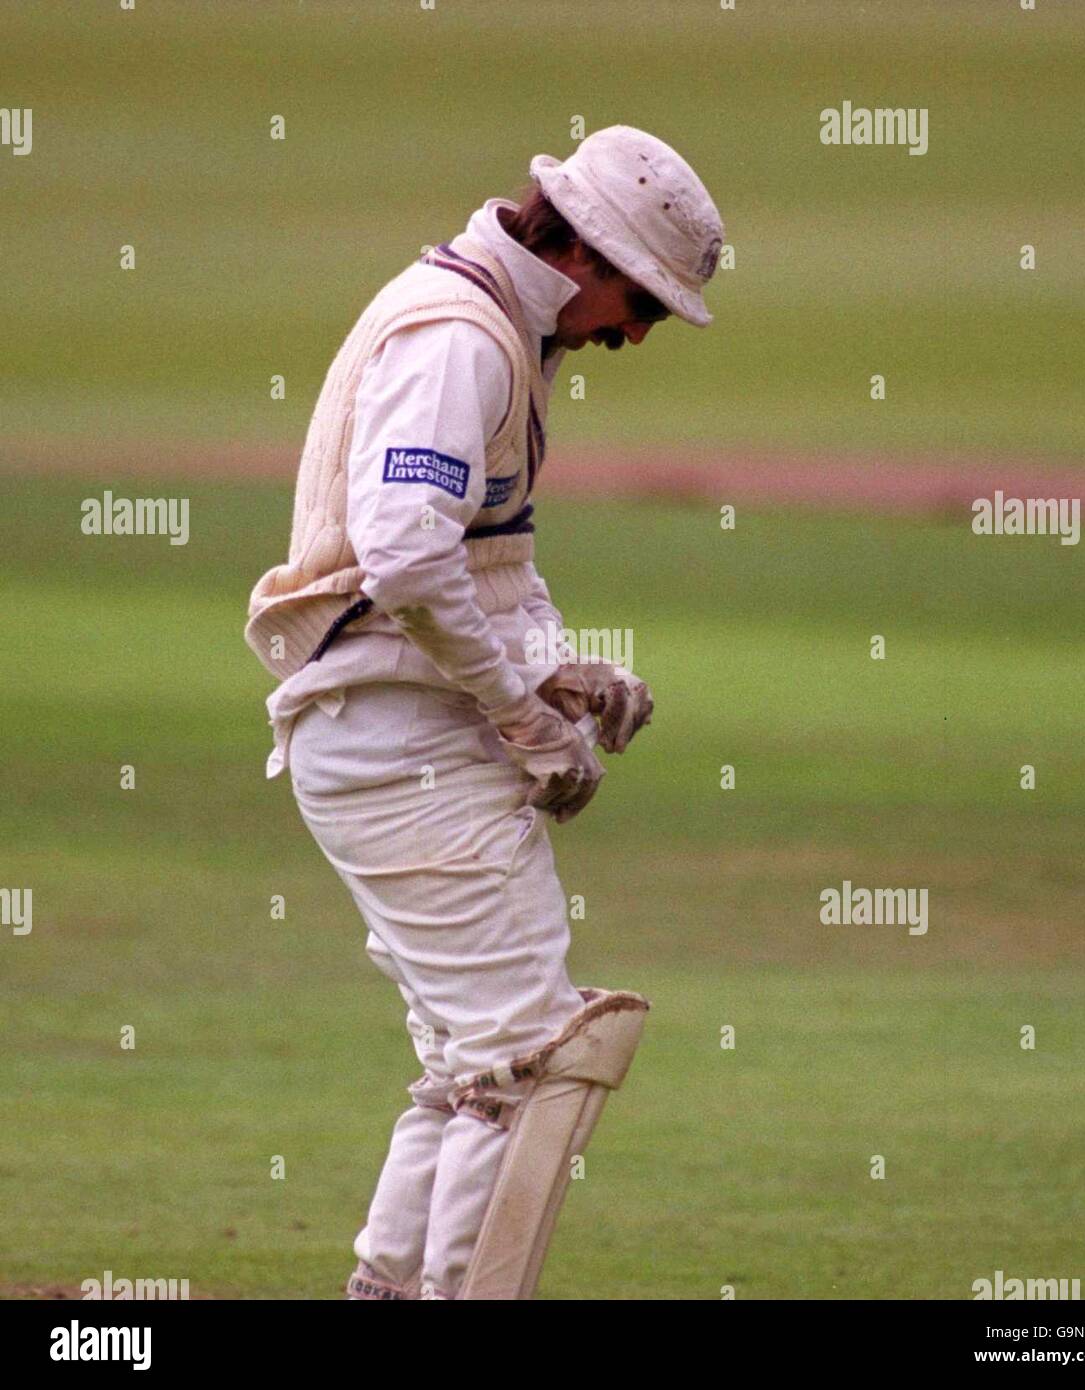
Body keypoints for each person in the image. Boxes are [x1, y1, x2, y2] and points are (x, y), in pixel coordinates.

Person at [244, 125, 724, 1300]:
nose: (633, 334)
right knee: (534, 1062)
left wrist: (561, 671)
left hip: (387, 729)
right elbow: (407, 561)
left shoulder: (498, 327)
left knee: (473, 1065)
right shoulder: (461, 339)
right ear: (584, 252)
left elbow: (486, 556)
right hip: (393, 738)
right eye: (640, 302)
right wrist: (521, 717)